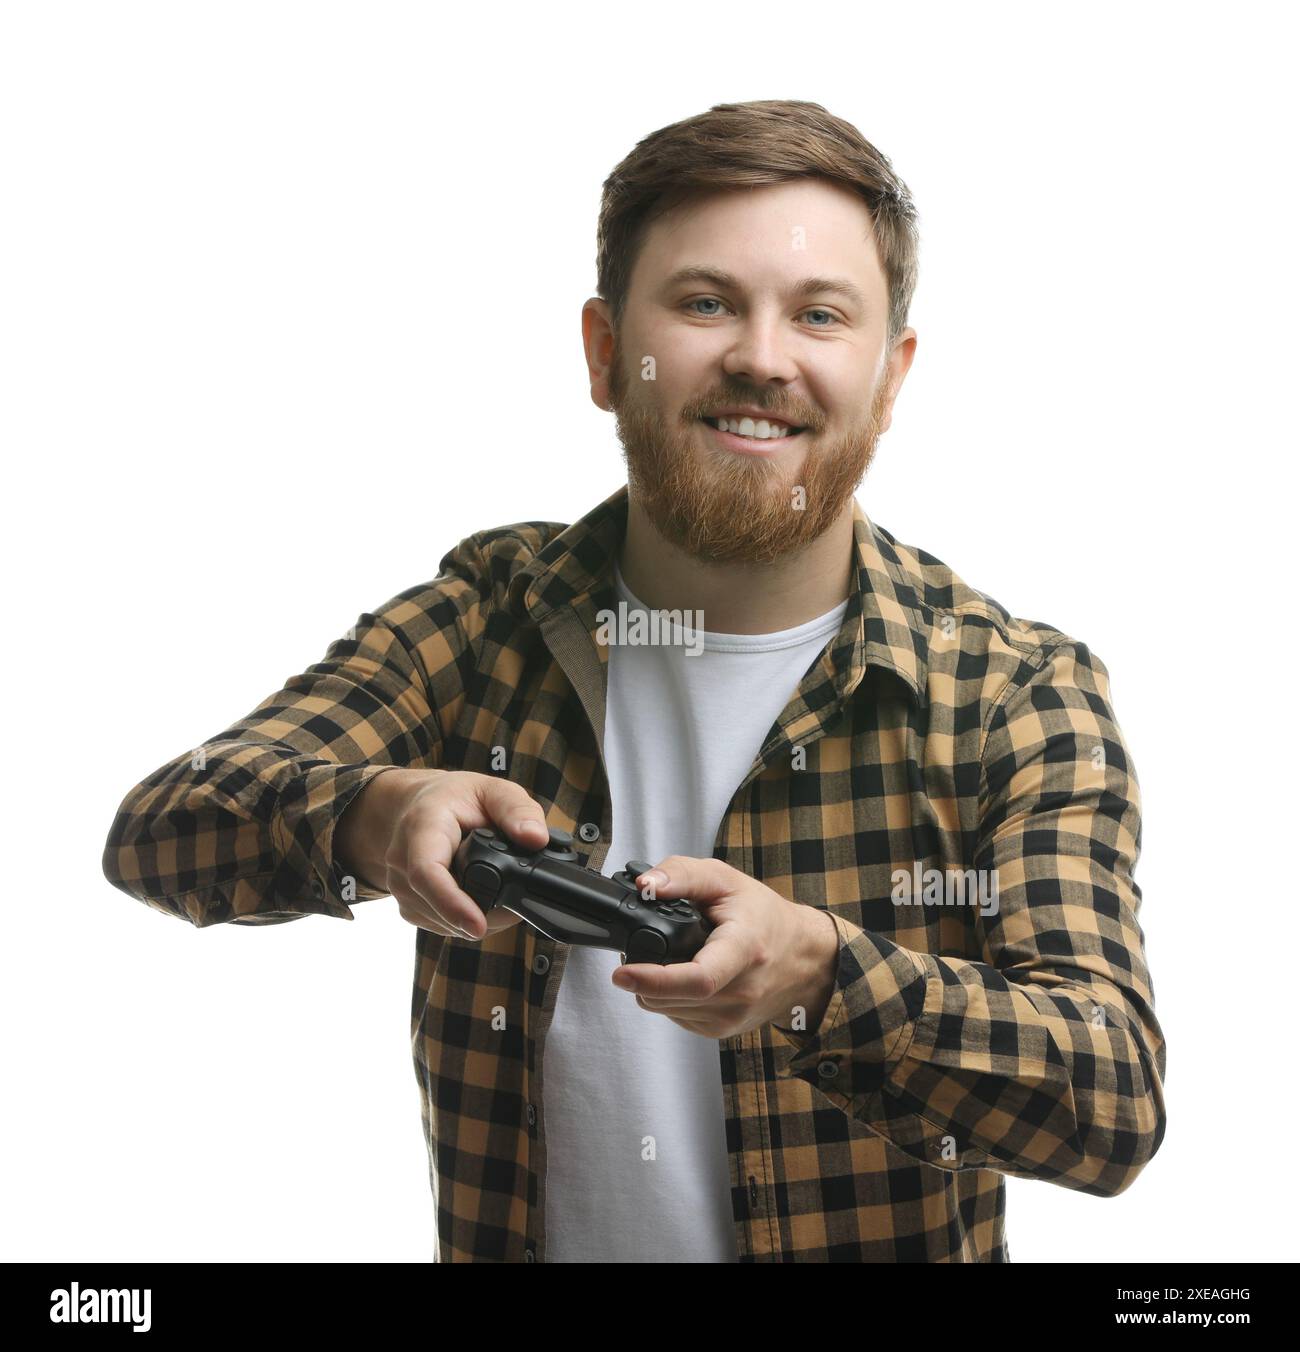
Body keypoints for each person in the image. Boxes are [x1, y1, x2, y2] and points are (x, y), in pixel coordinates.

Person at [102, 99, 1167, 1263]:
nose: (762, 356)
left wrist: (819, 973)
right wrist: (367, 813)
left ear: (889, 376)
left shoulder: (1010, 692)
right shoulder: (485, 616)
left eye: (818, 314)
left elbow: (1107, 1096)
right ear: (607, 353)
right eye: (706, 303)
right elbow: (163, 829)